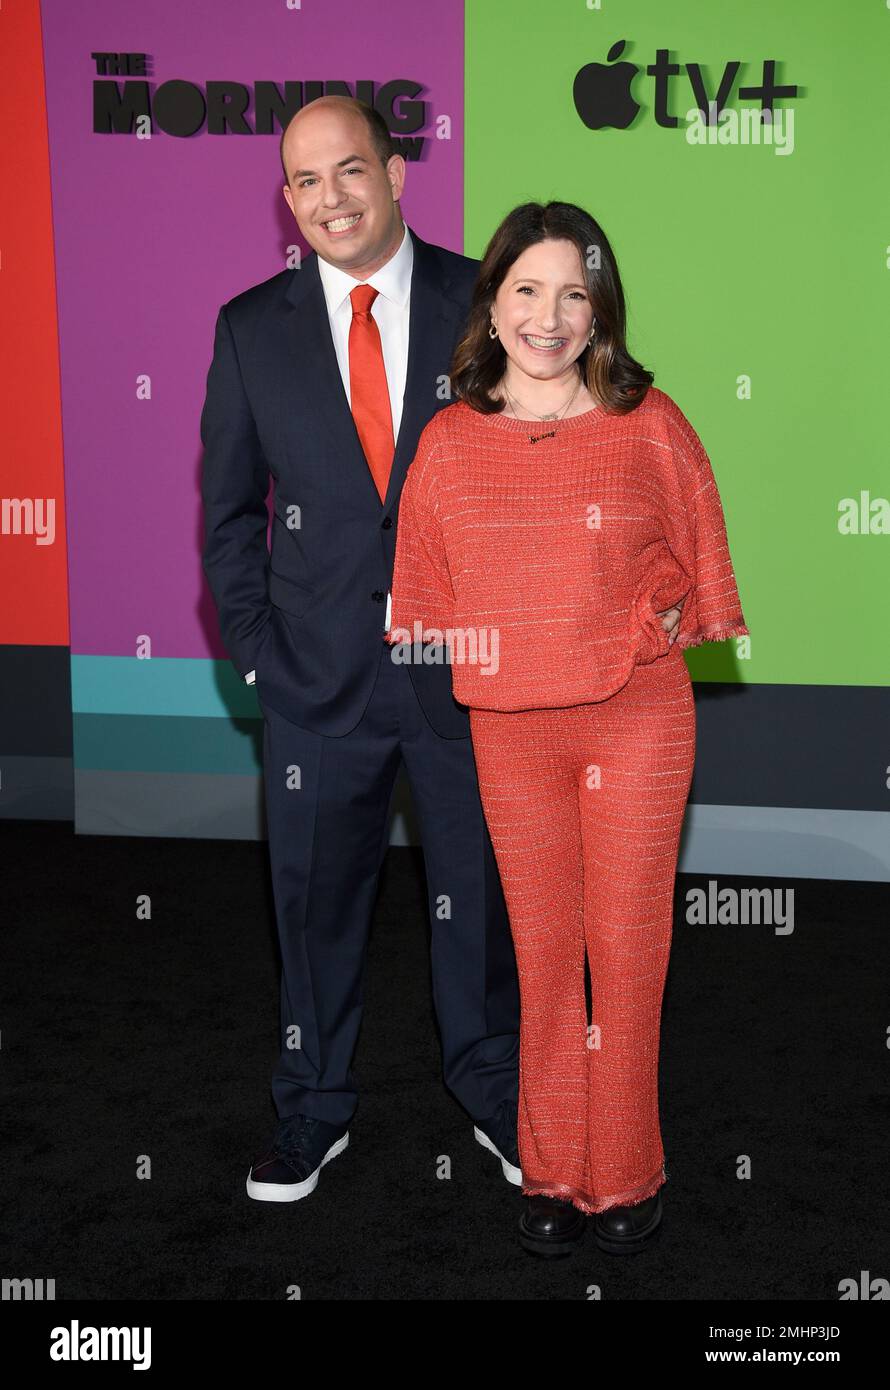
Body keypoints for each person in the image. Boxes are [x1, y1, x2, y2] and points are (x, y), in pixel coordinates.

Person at [386, 200, 750, 1256]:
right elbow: (420, 599)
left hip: (637, 719)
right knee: (544, 958)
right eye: (526, 291)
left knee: (626, 952)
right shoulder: (448, 443)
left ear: (600, 310)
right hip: (512, 731)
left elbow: (703, 560)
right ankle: (550, 1168)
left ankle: (626, 1168)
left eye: (573, 295)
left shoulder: (652, 422)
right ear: (491, 305)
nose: (548, 317)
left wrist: (660, 612)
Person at [200, 95, 521, 1204]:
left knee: (480, 903)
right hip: (316, 682)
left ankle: (494, 1090)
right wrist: (259, 656)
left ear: (395, 172)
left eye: (348, 169)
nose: (329, 197)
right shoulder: (250, 328)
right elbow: (228, 516)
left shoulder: (486, 299)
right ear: (286, 201)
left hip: (466, 676)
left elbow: (540, 468)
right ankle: (312, 1106)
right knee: (311, 908)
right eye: (304, 180)